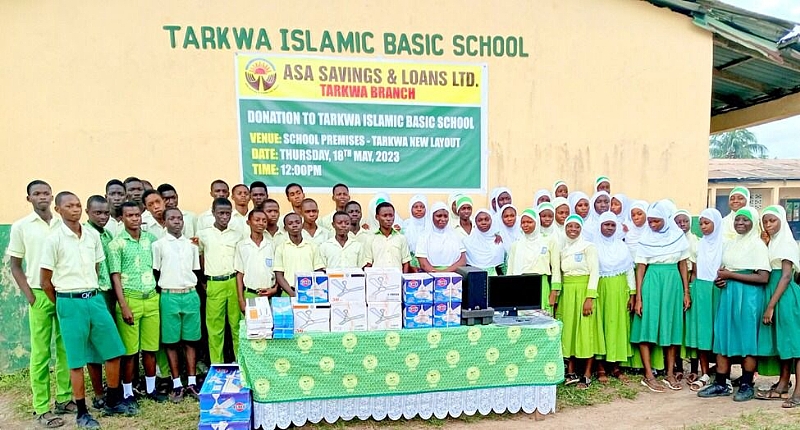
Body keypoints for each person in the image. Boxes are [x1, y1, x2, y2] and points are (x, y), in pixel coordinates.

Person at [40, 192, 130, 428]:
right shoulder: (53, 239)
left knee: (113, 351)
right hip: (69, 301)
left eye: (78, 205)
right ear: (58, 210)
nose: (75, 209)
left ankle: (112, 401)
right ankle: (82, 411)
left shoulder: (91, 235)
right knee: (77, 360)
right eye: (69, 206)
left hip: (95, 297)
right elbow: (45, 282)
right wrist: (63, 302)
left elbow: (97, 265)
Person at [7, 180, 73, 427]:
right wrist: (31, 297)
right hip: (39, 294)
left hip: (64, 291)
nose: (42, 197)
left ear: (52, 197)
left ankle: (65, 397)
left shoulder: (62, 223)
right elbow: (15, 265)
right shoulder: (21, 227)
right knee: (41, 353)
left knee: (66, 348)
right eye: (37, 194)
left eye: (46, 193)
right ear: (29, 198)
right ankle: (41, 407)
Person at [698, 206, 770, 402]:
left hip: (750, 298)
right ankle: (721, 382)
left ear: (753, 223)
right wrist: (720, 280)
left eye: (745, 220)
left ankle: (747, 384)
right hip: (728, 295)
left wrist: (730, 276)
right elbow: (723, 269)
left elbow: (763, 277)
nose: (740, 223)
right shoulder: (730, 244)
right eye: (738, 220)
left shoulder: (757, 245)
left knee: (747, 339)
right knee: (723, 336)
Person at [108, 202, 164, 406]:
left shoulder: (151, 240)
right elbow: (115, 277)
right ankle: (128, 393)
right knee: (130, 352)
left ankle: (151, 389)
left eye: (137, 215)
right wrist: (123, 305)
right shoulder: (116, 244)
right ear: (122, 218)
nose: (134, 218)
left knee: (150, 348)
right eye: (129, 215)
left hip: (151, 298)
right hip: (129, 299)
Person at [631, 200, 690, 393]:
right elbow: (640, 268)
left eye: (656, 221)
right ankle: (648, 375)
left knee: (671, 326)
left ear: (665, 219)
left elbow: (683, 265)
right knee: (647, 324)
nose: (652, 225)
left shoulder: (678, 236)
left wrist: (686, 292)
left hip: (673, 283)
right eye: (650, 221)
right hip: (652, 282)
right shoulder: (645, 239)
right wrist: (639, 297)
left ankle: (670, 373)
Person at [151, 207, 202, 403]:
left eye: (179, 218)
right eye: (171, 218)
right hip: (169, 296)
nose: (176, 221)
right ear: (164, 222)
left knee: (191, 340)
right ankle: (176, 384)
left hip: (189, 294)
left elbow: (195, 271)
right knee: (171, 342)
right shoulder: (158, 245)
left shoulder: (191, 246)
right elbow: (156, 272)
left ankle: (190, 381)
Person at [756, 205, 800, 404]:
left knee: (795, 344)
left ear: (781, 220)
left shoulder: (786, 244)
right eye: (765, 221)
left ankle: (798, 393)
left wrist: (771, 306)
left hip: (784, 297)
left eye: (772, 220)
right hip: (773, 293)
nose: (768, 225)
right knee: (783, 342)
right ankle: (782, 385)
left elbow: (785, 277)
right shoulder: (773, 243)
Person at [553, 214, 603, 390]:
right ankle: (571, 371)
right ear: (565, 228)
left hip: (583, 291)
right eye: (569, 227)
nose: (573, 230)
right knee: (570, 330)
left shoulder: (588, 247)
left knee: (586, 331)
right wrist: (557, 294)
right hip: (568, 291)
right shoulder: (562, 249)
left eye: (576, 227)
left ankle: (587, 374)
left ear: (581, 229)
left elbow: (595, 272)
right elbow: (559, 273)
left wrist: (589, 297)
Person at [196, 198, 244, 364]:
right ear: (213, 213)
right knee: (215, 328)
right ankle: (216, 364)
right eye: (221, 213)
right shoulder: (203, 234)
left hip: (233, 281)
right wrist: (203, 281)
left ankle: (241, 363)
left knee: (237, 326)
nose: (224, 217)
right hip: (214, 283)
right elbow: (199, 257)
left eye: (228, 213)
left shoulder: (237, 235)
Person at [83, 196, 116, 408]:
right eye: (98, 213)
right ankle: (98, 393)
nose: (103, 216)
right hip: (94, 294)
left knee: (109, 342)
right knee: (93, 346)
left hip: (109, 293)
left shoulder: (108, 234)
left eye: (106, 212)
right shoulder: (85, 235)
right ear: (88, 212)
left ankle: (113, 386)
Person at [594, 212, 636, 383]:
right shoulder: (593, 246)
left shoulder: (622, 246)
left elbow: (629, 270)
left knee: (618, 326)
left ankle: (615, 366)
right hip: (601, 288)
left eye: (612, 225)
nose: (609, 228)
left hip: (620, 289)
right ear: (600, 226)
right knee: (601, 326)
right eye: (606, 225)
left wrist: (632, 294)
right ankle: (600, 367)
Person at [685, 209, 724, 392]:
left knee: (719, 332)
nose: (703, 227)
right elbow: (694, 271)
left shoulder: (725, 244)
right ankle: (705, 372)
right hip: (701, 289)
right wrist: (690, 292)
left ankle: (723, 373)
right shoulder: (699, 245)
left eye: (707, 223)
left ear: (716, 223)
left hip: (718, 290)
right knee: (702, 332)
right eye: (701, 224)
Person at [508, 208, 561, 314]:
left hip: (541, 285)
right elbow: (510, 270)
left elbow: (556, 268)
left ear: (536, 223)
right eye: (523, 222)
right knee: (522, 321)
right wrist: (509, 292)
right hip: (520, 285)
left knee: (543, 320)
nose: (525, 225)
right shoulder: (516, 245)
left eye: (529, 222)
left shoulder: (549, 241)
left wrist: (554, 291)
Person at [274, 212, 324, 295]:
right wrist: (291, 293)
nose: (294, 225)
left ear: (302, 225)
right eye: (290, 223)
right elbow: (279, 275)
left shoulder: (312, 247)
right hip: (288, 292)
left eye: (298, 222)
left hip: (309, 292)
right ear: (285, 228)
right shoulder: (281, 248)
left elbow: (318, 270)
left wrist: (312, 289)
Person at [235, 209, 279, 305]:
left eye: (264, 221)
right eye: (257, 220)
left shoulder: (272, 245)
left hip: (270, 295)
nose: (261, 223)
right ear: (248, 222)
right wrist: (241, 299)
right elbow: (240, 274)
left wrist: (274, 289)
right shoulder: (242, 245)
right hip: (250, 293)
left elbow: (278, 271)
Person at [416, 202, 466, 272]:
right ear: (431, 217)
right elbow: (423, 263)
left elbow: (462, 260)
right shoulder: (424, 237)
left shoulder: (455, 235)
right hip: (430, 276)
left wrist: (445, 273)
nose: (443, 219)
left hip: (454, 275)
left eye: (445, 216)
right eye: (439, 216)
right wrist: (438, 274)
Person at [364, 202, 411, 272]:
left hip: (397, 279)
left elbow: (406, 262)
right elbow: (368, 263)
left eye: (391, 215)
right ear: (377, 217)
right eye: (384, 215)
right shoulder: (371, 238)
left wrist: (403, 279)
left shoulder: (401, 238)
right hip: (377, 279)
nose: (388, 219)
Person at [464, 208, 505, 276]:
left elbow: (501, 267)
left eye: (487, 219)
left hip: (495, 280)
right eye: (480, 220)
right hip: (474, 278)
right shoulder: (467, 242)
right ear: (475, 222)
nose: (483, 222)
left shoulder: (498, 241)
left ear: (492, 221)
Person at [402, 194, 430, 270]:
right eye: (415, 207)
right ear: (410, 209)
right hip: (410, 266)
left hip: (429, 265)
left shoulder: (431, 226)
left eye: (422, 207)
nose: (419, 209)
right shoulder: (405, 226)